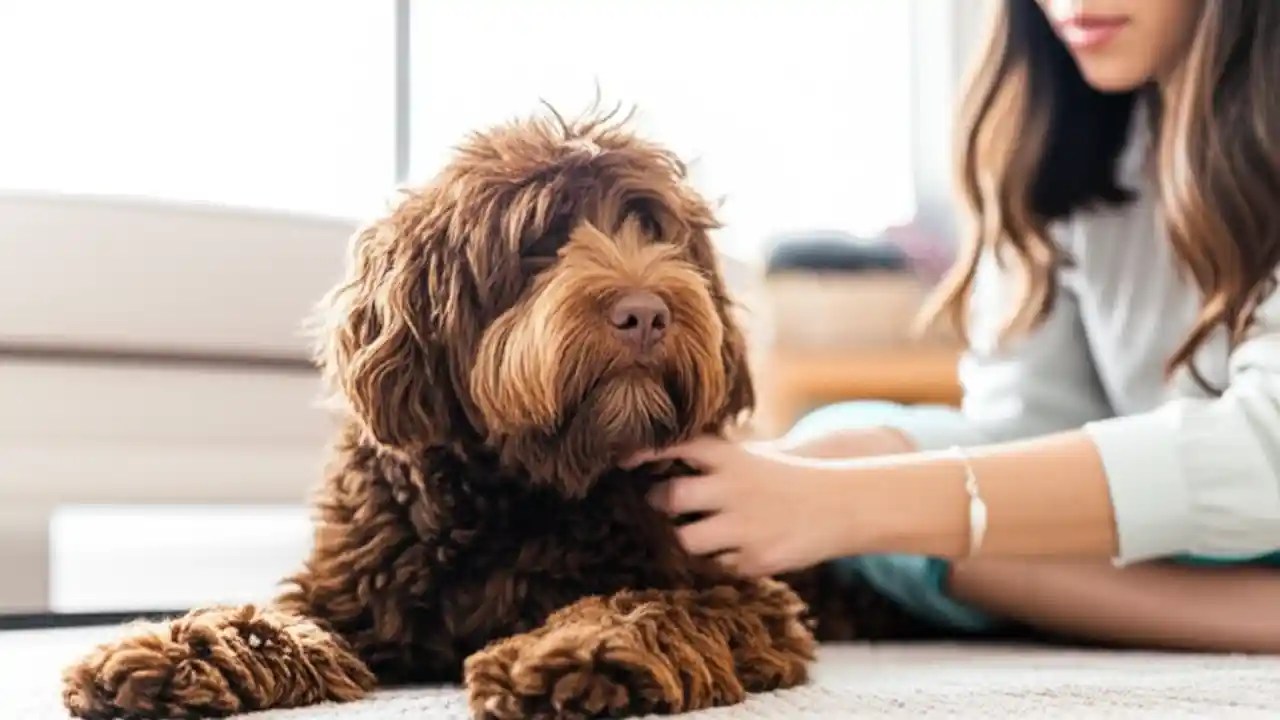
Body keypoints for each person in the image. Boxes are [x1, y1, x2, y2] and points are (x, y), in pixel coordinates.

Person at [628, 0, 1280, 652]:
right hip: (1206, 543)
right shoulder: (1075, 132)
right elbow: (1028, 426)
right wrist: (806, 478)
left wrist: (855, 506)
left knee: (878, 517)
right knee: (830, 444)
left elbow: (1263, 455)